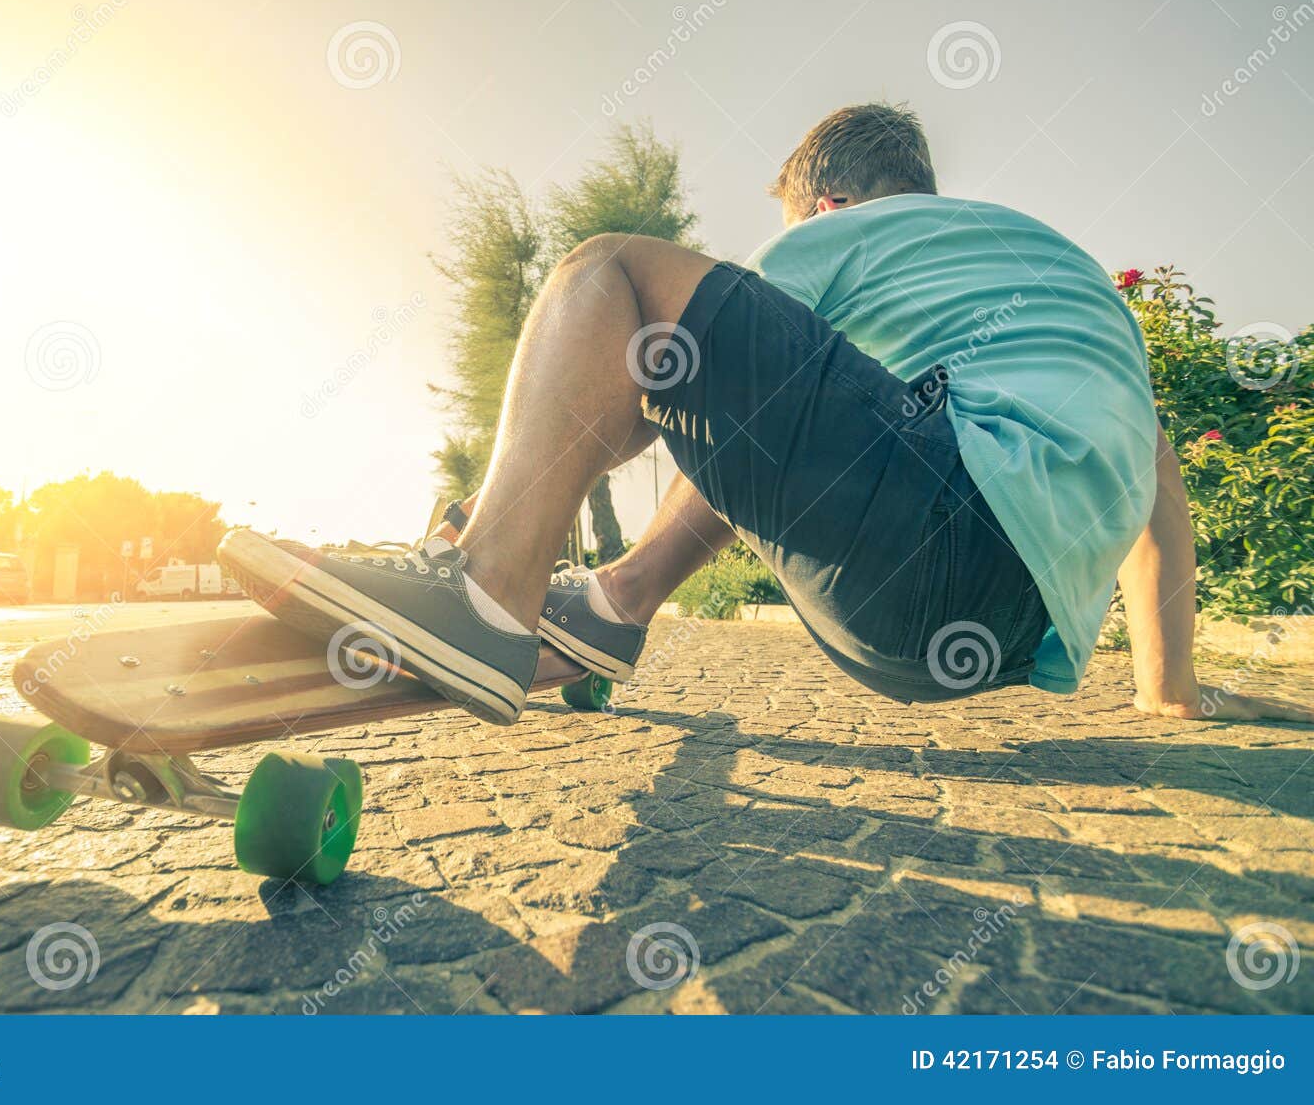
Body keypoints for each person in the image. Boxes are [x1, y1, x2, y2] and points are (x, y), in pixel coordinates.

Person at [221, 103, 1313, 727]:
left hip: (922, 555)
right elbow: (1157, 489)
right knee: (804, 418)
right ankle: (611, 604)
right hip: (984, 633)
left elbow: (650, 378)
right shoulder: (1064, 287)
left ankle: (485, 601)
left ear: (829, 206)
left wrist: (501, 514)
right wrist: (1167, 692)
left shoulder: (849, 235)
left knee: (613, 277)